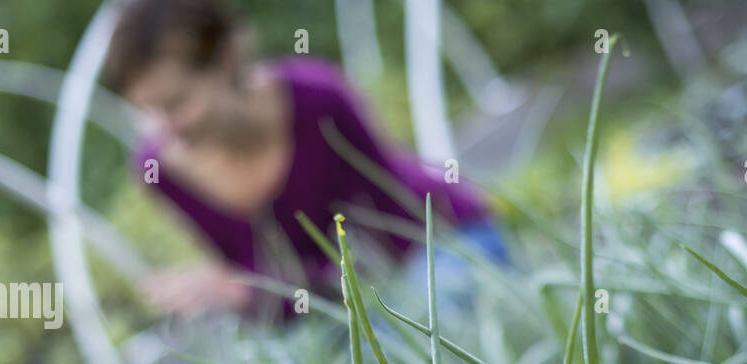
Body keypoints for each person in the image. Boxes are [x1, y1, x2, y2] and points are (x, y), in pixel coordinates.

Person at [102, 0, 511, 326]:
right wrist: (235, 290)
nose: (164, 127)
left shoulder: (315, 98)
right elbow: (279, 300)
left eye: (176, 103)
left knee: (421, 323)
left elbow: (380, 240)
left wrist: (246, 289)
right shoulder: (161, 171)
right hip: (335, 307)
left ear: (226, 59)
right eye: (146, 110)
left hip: (434, 247)